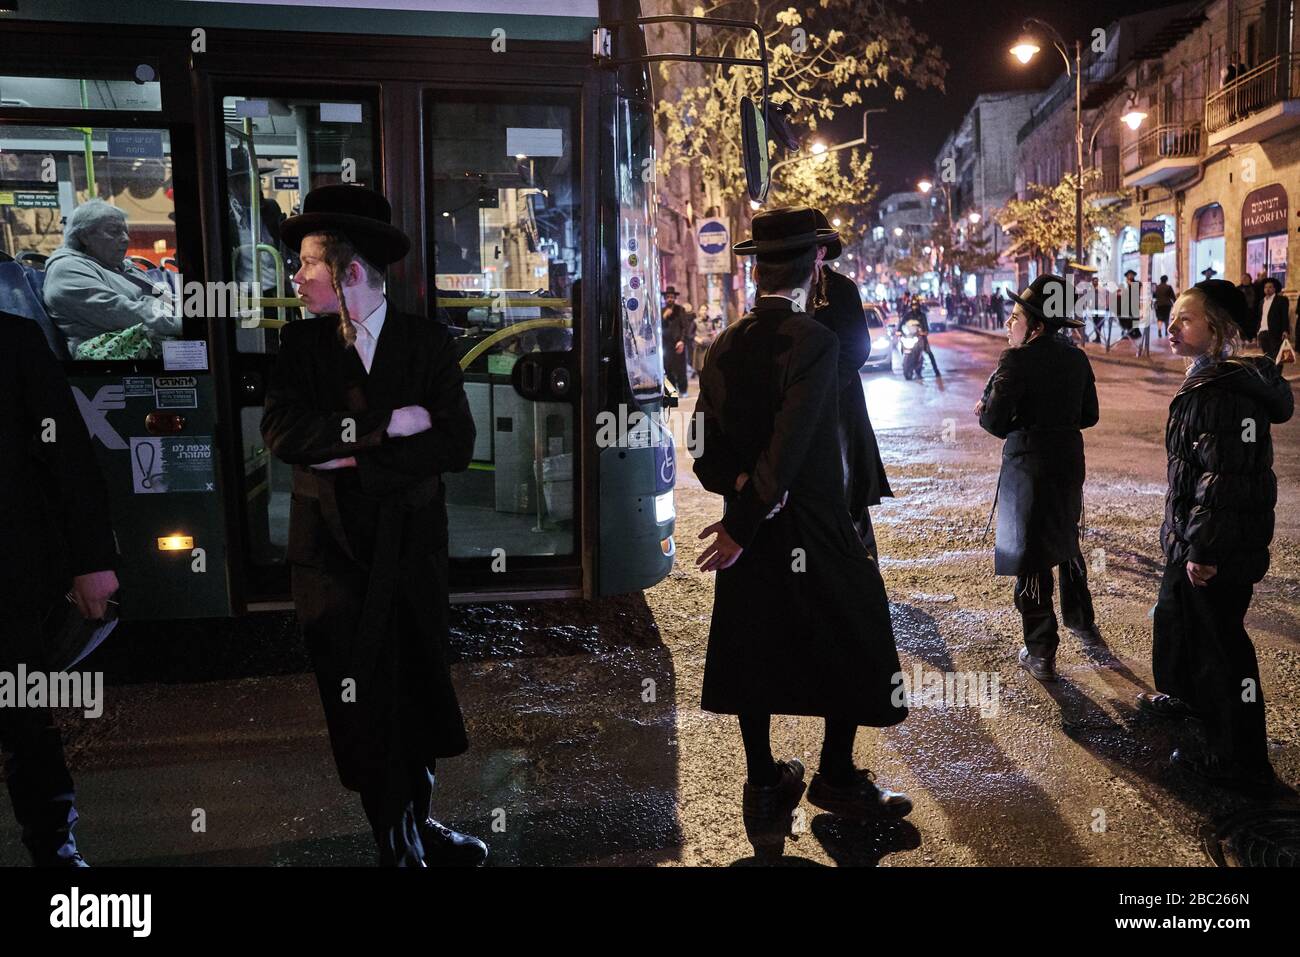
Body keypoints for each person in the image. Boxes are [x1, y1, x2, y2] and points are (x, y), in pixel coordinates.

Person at [261, 185, 486, 867]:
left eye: (307, 264)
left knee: (415, 691)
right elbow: (283, 433)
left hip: (412, 552)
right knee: (358, 700)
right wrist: (384, 426)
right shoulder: (297, 346)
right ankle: (399, 844)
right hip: (329, 560)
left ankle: (418, 823)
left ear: (349, 271)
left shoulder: (428, 343)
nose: (296, 279)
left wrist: (345, 455)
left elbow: (454, 444)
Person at [691, 206, 910, 858]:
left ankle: (765, 786)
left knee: (751, 647)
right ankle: (835, 776)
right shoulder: (815, 341)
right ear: (814, 263)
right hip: (812, 522)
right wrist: (751, 511)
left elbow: (703, 449)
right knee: (859, 631)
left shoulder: (724, 343)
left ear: (756, 268)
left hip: (755, 531)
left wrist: (739, 504)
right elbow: (788, 452)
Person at [1138, 280, 1293, 792]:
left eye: (1185, 320)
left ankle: (1239, 755)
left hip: (1216, 545)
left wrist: (1204, 549)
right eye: (1173, 318)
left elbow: (1223, 481)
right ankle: (1185, 701)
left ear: (1220, 329)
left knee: (1222, 650)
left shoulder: (1227, 393)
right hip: (1190, 536)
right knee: (1176, 619)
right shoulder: (1206, 379)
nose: (1171, 327)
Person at [1, 309, 119, 866]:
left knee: (28, 722)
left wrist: (92, 561)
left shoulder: (13, 339)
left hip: (10, 576)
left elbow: (68, 457)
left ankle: (55, 853)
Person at [977, 274, 1102, 683]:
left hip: (1028, 466)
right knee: (1064, 537)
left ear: (1037, 325)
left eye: (1015, 317)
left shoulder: (1015, 360)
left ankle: (1041, 651)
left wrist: (986, 409)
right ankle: (1081, 618)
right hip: (1067, 463)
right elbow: (1089, 416)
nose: (1009, 324)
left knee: (1030, 555)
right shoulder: (1077, 359)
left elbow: (996, 422)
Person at [809, 208, 893, 558]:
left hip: (840, 402)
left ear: (821, 251)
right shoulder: (788, 288)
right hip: (805, 406)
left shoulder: (841, 288)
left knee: (849, 493)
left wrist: (824, 386)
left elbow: (858, 346)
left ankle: (863, 575)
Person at [43, 200, 180, 357]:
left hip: (158, 342)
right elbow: (125, 313)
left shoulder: (121, 266)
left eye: (125, 232)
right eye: (114, 231)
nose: (125, 239)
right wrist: (186, 322)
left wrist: (196, 311)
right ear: (84, 237)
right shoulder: (67, 270)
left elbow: (164, 298)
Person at [661, 286, 690, 396]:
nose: (670, 299)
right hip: (666, 345)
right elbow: (657, 327)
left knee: (680, 369)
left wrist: (682, 341)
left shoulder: (680, 309)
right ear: (665, 298)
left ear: (675, 298)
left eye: (672, 297)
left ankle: (683, 390)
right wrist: (664, 317)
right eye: (668, 297)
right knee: (668, 369)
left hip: (678, 344)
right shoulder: (661, 310)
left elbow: (684, 327)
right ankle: (672, 391)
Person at [904, 296, 941, 377]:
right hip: (910, 337)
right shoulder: (908, 315)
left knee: (929, 352)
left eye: (916, 305)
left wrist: (924, 332)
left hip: (920, 338)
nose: (914, 307)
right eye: (913, 305)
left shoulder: (922, 315)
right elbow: (902, 323)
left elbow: (926, 327)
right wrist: (899, 331)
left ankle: (936, 370)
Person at [1256, 276, 1289, 359]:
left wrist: (1285, 330)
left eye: (1270, 287)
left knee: (1277, 355)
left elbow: (1284, 316)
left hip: (1275, 332)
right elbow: (1260, 317)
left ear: (1275, 289)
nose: (1268, 289)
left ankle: (1277, 372)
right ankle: (1270, 372)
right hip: (1263, 332)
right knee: (1267, 357)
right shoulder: (1261, 302)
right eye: (1266, 287)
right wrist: (1258, 331)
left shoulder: (1281, 300)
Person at [1153, 274, 1175, 339]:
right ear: (1166, 280)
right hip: (1167, 305)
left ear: (1160, 280)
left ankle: (1159, 330)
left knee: (1159, 318)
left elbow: (1154, 296)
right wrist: (1175, 303)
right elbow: (1172, 296)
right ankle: (1166, 331)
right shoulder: (1169, 287)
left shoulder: (1156, 287)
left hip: (1158, 305)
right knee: (1166, 317)